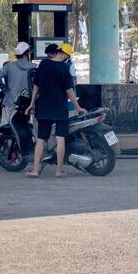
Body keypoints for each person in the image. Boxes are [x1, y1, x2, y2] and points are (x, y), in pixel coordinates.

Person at [25, 42, 84, 177]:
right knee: (60, 139)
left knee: (41, 139)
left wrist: (32, 103)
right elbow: (69, 90)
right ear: (63, 53)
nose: (67, 58)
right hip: (60, 108)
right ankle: (58, 170)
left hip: (44, 107)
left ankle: (35, 170)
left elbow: (36, 86)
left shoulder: (44, 64)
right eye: (67, 56)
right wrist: (78, 106)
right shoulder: (64, 68)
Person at [0, 41, 37, 128]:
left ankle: (5, 141)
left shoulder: (9, 66)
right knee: (28, 126)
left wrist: (4, 88)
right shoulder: (35, 67)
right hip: (27, 103)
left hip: (10, 100)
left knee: (5, 127)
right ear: (27, 54)